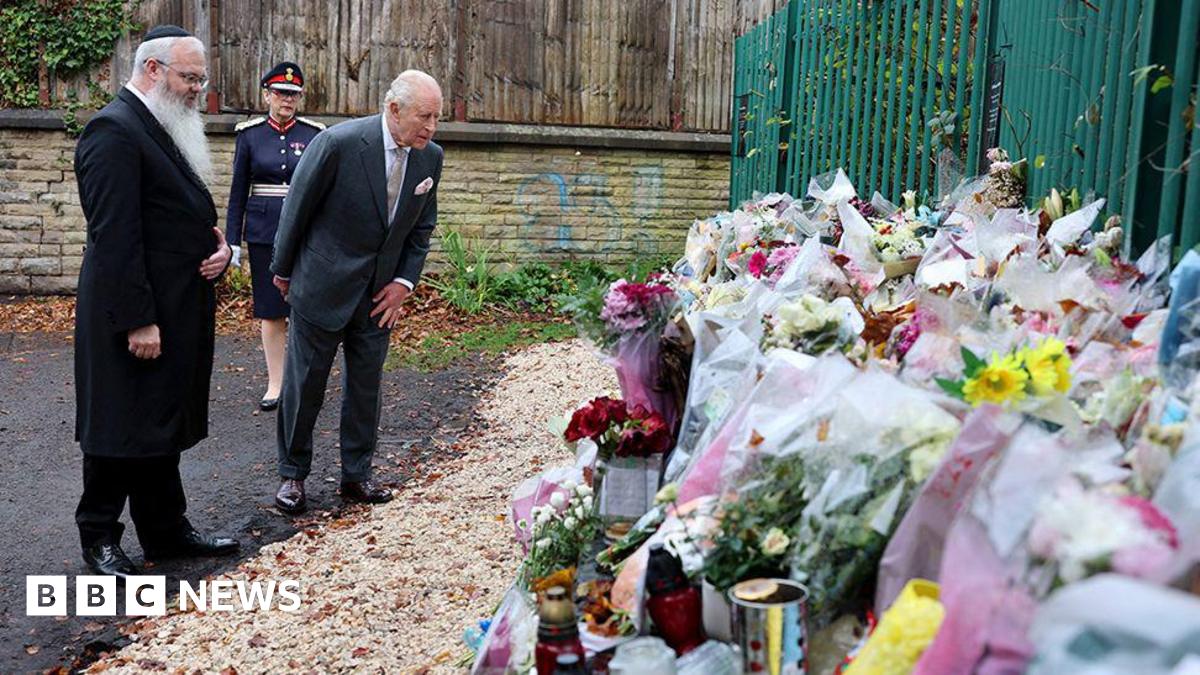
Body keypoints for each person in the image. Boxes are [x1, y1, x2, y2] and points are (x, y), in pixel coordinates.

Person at [73, 24, 239, 578]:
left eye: (201, 78)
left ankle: (165, 530)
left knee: (159, 421)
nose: (198, 89)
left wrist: (219, 250)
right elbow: (114, 234)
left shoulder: (160, 123)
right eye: (190, 78)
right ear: (152, 70)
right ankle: (98, 535)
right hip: (133, 313)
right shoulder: (112, 130)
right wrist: (138, 319)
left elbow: (174, 212)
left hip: (176, 305)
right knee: (119, 423)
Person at [270, 70, 444, 514]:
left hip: (378, 297)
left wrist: (403, 284)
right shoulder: (339, 144)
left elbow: (421, 230)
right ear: (393, 109)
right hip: (321, 285)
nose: (431, 127)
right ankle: (293, 476)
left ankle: (356, 476)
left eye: (437, 118)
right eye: (424, 116)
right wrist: (283, 270)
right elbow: (297, 208)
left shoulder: (431, 159)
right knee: (304, 384)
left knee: (366, 387)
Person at [226, 62, 325, 411]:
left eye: (294, 94)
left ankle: (303, 382)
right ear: (267, 94)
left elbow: (323, 192)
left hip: (305, 234)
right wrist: (232, 242)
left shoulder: (315, 134)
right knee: (271, 310)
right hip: (264, 232)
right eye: (281, 93)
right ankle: (276, 383)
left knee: (305, 309)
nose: (288, 100)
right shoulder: (249, 135)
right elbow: (238, 192)